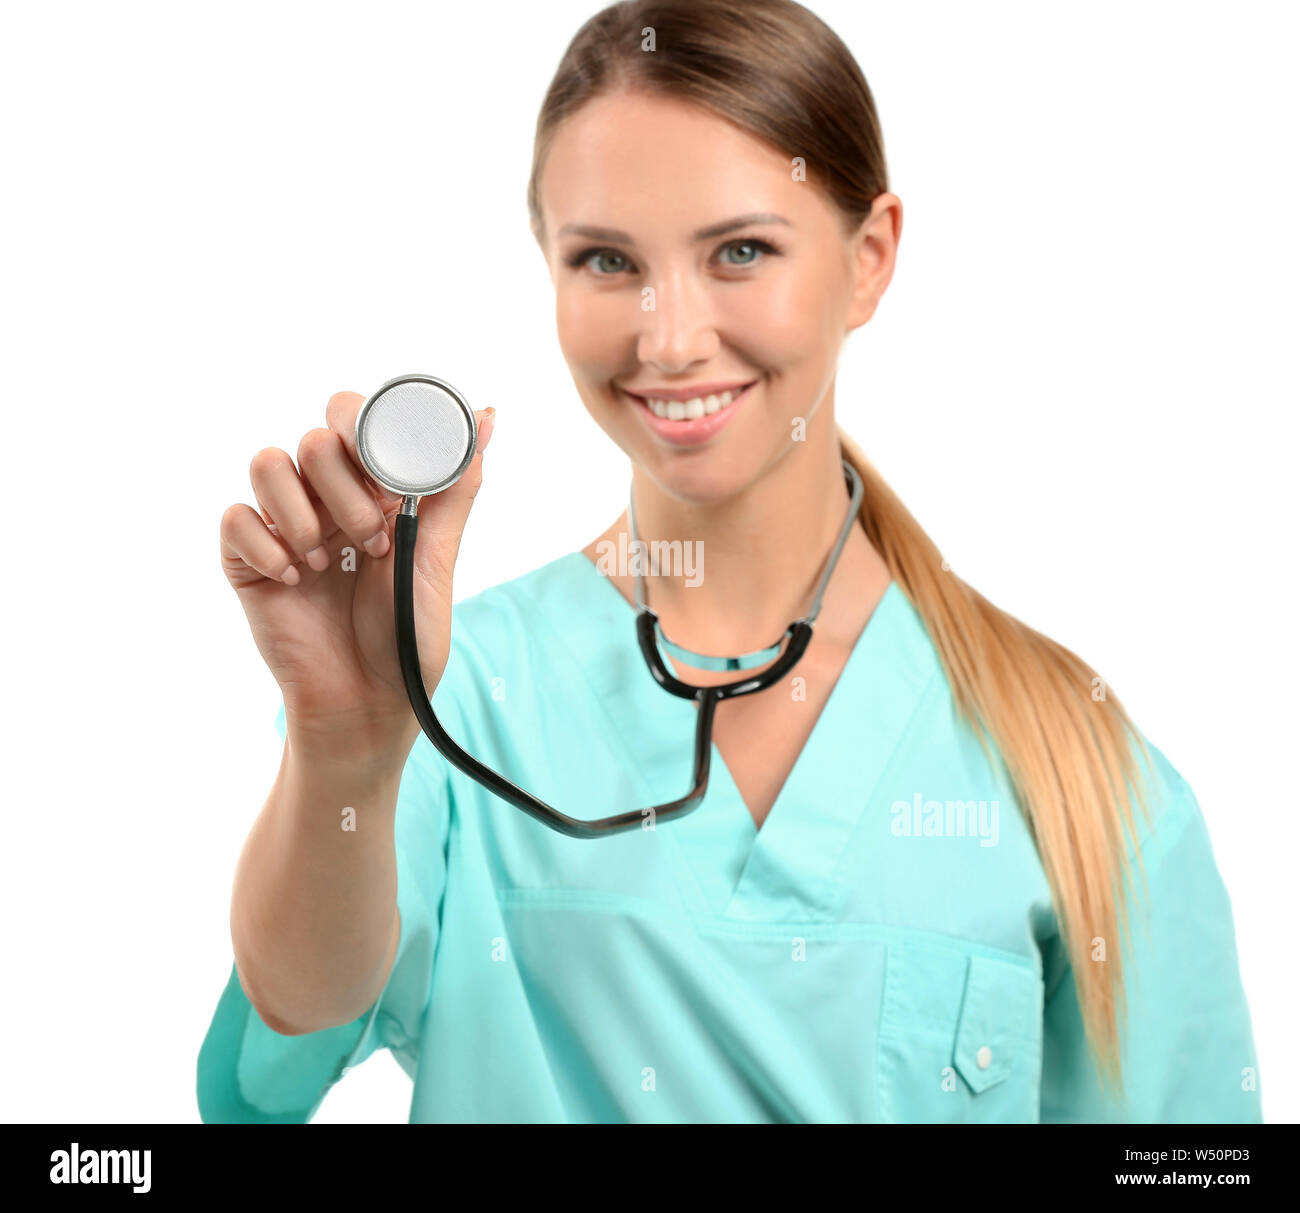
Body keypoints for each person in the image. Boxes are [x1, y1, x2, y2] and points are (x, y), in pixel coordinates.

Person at [199, 0, 1261, 1123]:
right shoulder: (449, 690)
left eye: (741, 250)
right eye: (607, 260)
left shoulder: (1084, 769)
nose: (667, 338)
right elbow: (282, 1046)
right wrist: (345, 751)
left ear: (869, 258)